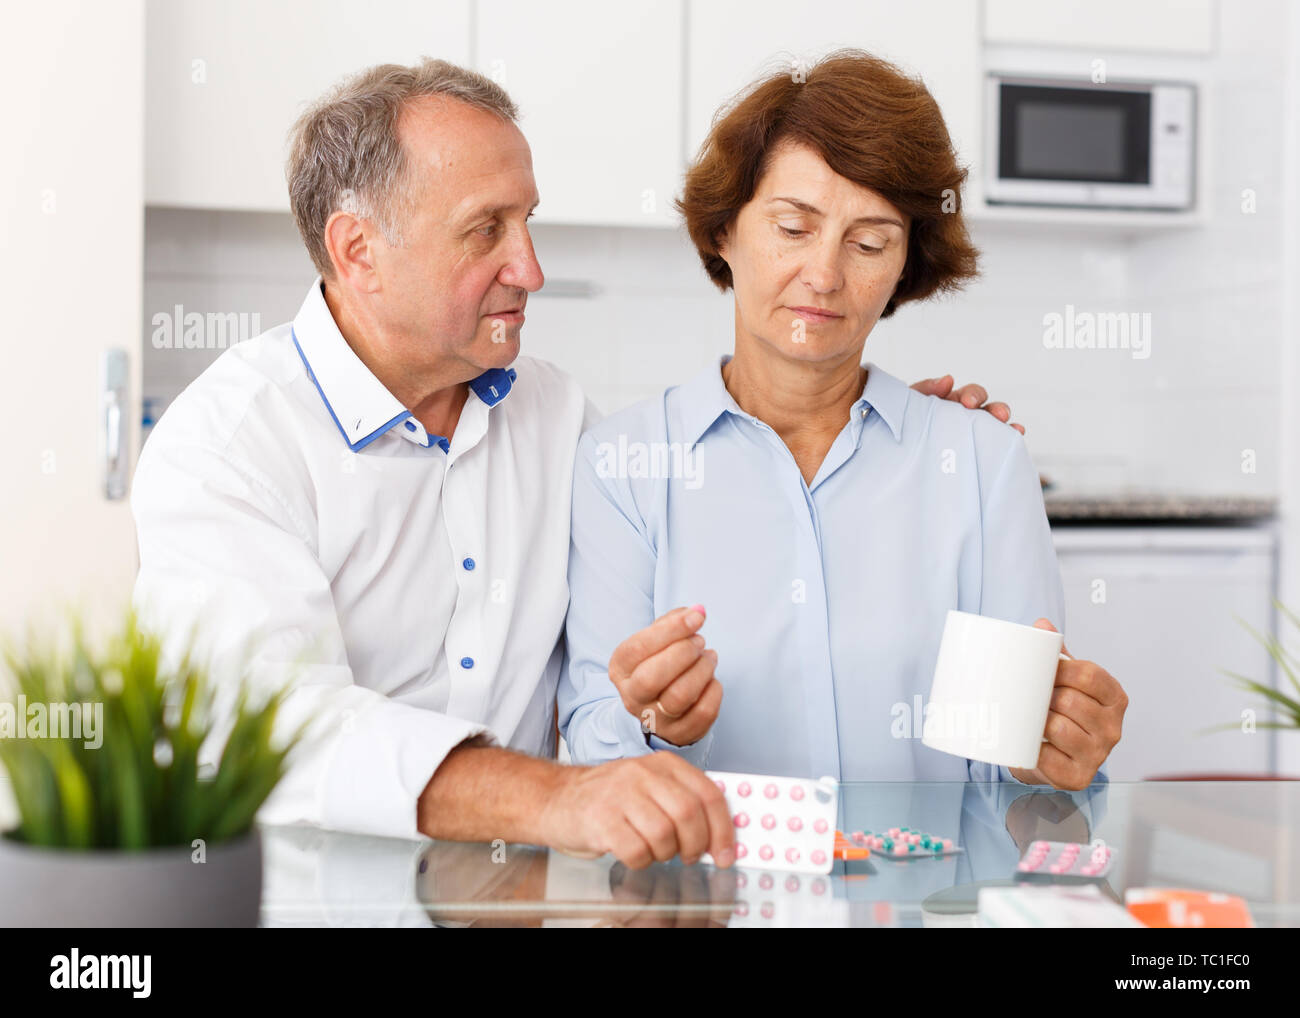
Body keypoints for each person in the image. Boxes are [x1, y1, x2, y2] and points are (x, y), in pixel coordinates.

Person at [132, 57, 1026, 871]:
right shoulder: (228, 444)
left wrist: (913, 438)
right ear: (358, 251)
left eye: (528, 222)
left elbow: (610, 681)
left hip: (519, 896)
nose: (532, 267)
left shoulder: (557, 419)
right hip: (317, 895)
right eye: (486, 230)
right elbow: (263, 727)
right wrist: (560, 795)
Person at [560, 51, 1127, 789]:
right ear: (725, 233)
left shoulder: (980, 462)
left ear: (905, 268)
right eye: (794, 227)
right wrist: (649, 724)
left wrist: (1056, 758)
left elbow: (1009, 774)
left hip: (922, 901)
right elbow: (589, 749)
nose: (824, 275)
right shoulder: (622, 467)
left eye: (868, 243)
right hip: (700, 901)